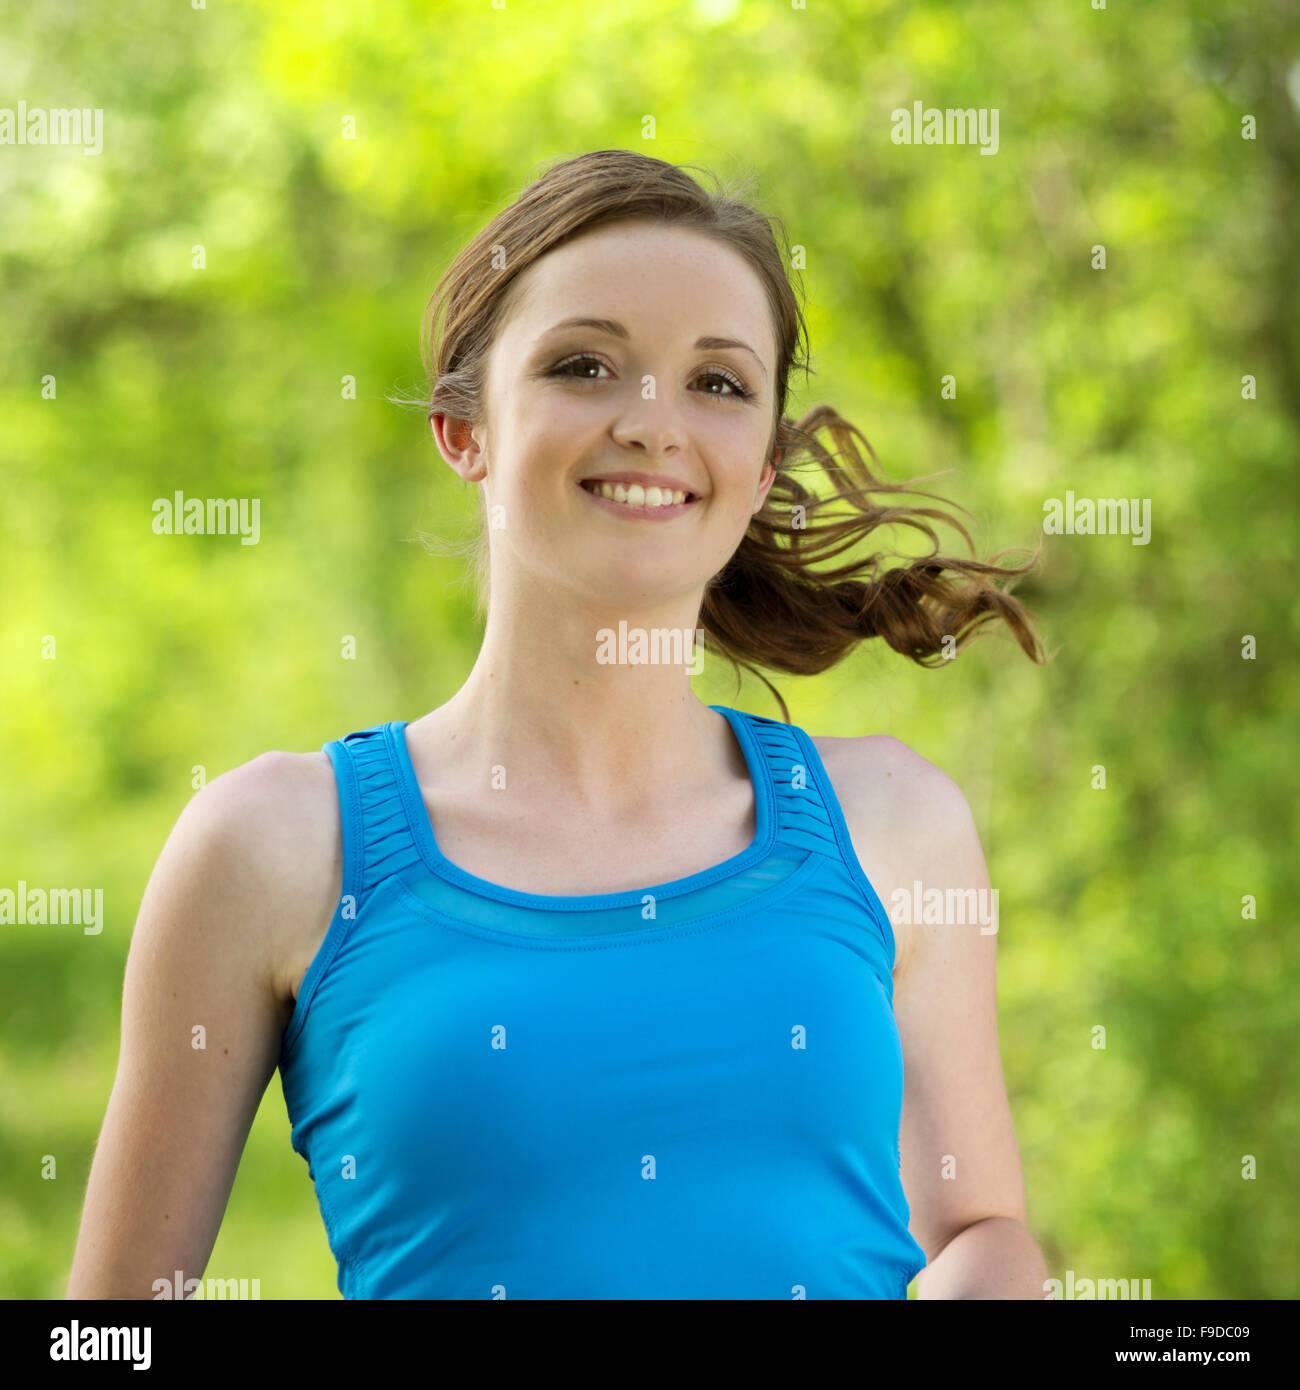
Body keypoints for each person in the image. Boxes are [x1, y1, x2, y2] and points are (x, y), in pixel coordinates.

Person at [69, 149, 1050, 1299]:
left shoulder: (895, 822)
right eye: (585, 366)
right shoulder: (273, 846)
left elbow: (981, 1230)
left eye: (719, 384)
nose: (652, 424)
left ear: (765, 461)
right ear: (463, 430)